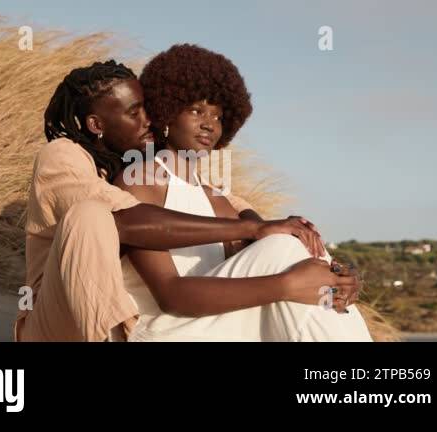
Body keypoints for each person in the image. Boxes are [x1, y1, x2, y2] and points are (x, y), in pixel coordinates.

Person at [16, 60, 354, 342]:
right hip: (55, 321)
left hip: (129, 320)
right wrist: (256, 231)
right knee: (91, 215)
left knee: (286, 245)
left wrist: (331, 272)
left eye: (147, 110)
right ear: (96, 124)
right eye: (134, 113)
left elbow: (232, 206)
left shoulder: (142, 168)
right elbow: (131, 222)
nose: (147, 120)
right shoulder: (63, 156)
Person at [113, 45, 372, 341]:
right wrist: (286, 284)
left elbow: (269, 266)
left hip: (221, 327)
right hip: (165, 330)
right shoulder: (139, 182)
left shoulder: (220, 202)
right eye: (197, 110)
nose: (209, 123)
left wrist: (340, 282)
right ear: (168, 113)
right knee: (281, 247)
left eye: (219, 116)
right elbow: (172, 296)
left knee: (298, 242)